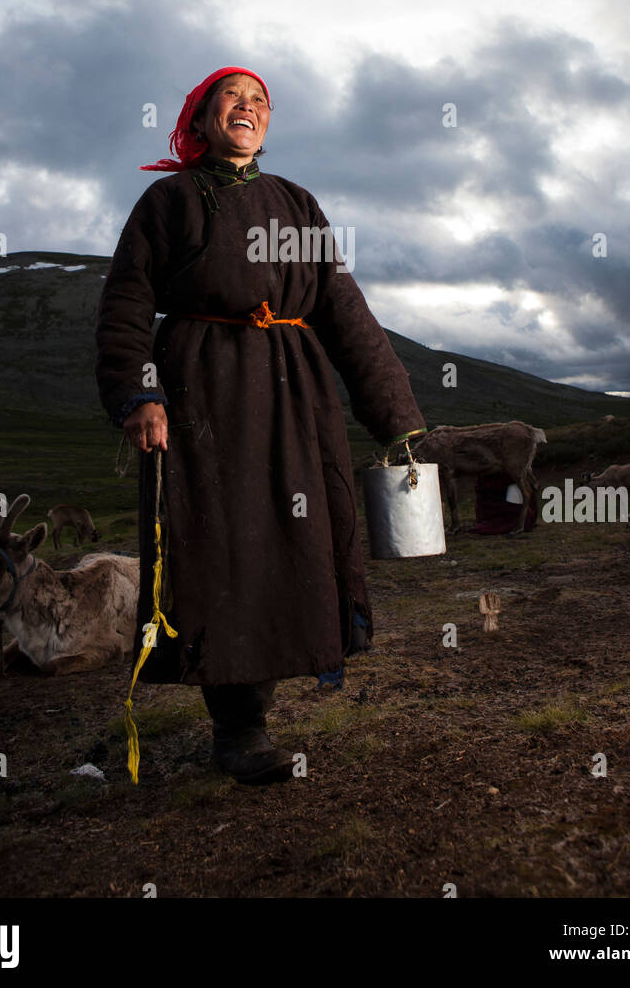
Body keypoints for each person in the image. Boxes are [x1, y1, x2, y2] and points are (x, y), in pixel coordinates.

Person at [95, 67, 426, 784]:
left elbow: (344, 310)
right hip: (202, 393)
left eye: (259, 102)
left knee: (295, 541)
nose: (247, 110)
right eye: (231, 100)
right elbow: (126, 302)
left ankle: (265, 703)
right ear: (203, 118)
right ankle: (238, 729)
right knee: (220, 550)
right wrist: (138, 393)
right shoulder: (169, 201)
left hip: (295, 394)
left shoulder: (296, 204)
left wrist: (393, 416)